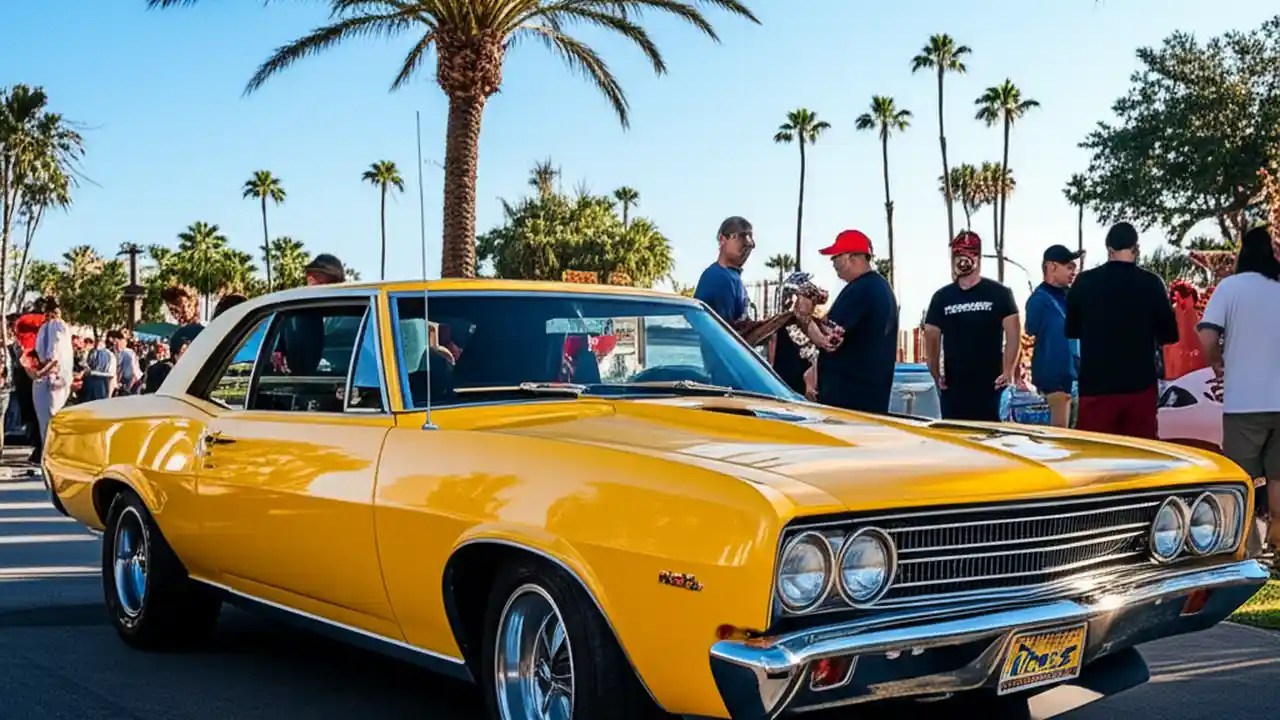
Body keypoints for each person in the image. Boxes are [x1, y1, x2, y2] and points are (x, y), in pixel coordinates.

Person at [1197, 226, 1280, 549]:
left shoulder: (1230, 288)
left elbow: (1207, 335)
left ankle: (1247, 547)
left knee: (1241, 480)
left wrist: (1217, 361)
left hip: (1244, 401)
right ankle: (1277, 545)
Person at [1066, 222, 1178, 439]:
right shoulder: (1152, 284)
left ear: (1109, 249)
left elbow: (1071, 329)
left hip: (1096, 385)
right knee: (1140, 457)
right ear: (1136, 249)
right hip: (1140, 386)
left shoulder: (1085, 282)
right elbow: (1169, 335)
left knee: (1095, 455)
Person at [924, 231, 1022, 421]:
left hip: (991, 385)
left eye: (969, 253)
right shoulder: (942, 297)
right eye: (958, 254)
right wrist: (935, 373)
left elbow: (1014, 332)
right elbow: (931, 335)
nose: (963, 259)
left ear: (978, 256)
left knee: (992, 439)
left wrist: (1008, 371)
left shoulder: (1000, 294)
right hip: (954, 387)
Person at [693, 217, 820, 348]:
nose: (749, 245)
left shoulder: (732, 277)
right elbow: (725, 337)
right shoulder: (718, 277)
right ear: (722, 239)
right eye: (740, 238)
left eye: (750, 240)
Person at [814, 230, 899, 413]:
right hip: (867, 400)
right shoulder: (878, 286)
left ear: (851, 257)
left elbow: (829, 336)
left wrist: (803, 316)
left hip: (849, 402)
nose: (833, 263)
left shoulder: (862, 288)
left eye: (835, 257)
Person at [1025, 245, 1083, 427]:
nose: (1073, 271)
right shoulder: (1039, 300)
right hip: (1054, 382)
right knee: (1059, 441)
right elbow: (1029, 335)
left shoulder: (1072, 297)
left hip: (1077, 379)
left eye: (1074, 267)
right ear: (1052, 267)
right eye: (1069, 266)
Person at [32, 297, 74, 451]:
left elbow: (54, 356)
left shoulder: (55, 327)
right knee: (50, 418)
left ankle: (52, 452)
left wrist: (40, 373)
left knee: (49, 419)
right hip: (54, 376)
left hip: (52, 375)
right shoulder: (53, 327)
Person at [162, 285, 203, 360]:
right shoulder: (206, 331)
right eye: (172, 310)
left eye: (177, 309)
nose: (176, 314)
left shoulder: (180, 334)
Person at [81, 338, 116, 402]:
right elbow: (112, 374)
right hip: (103, 383)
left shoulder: (91, 352)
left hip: (90, 380)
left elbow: (84, 364)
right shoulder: (111, 355)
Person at [107, 329, 141, 395]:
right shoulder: (110, 353)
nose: (125, 342)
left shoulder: (128, 354)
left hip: (131, 385)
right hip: (118, 386)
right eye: (123, 339)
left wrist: (125, 388)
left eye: (125, 340)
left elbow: (132, 374)